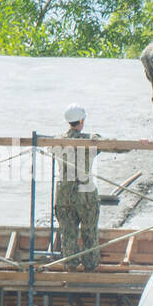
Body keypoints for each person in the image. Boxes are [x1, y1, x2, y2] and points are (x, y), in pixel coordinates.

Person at [52, 104, 102, 272]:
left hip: (64, 194)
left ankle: (71, 266)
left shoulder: (56, 141)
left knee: (68, 233)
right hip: (86, 194)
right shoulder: (91, 140)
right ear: (81, 121)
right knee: (89, 232)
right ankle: (90, 266)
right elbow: (115, 146)